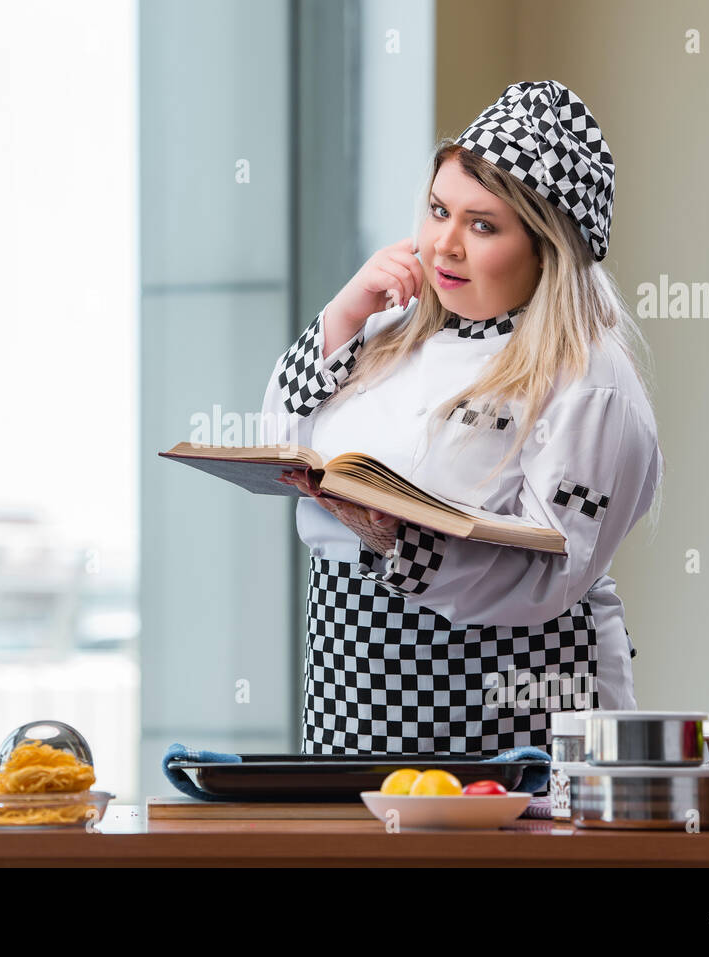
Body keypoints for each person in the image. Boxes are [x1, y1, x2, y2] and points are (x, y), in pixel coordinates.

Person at [259, 80, 664, 756]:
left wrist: (397, 542)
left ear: (548, 248)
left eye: (482, 225)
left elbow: (551, 573)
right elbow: (279, 437)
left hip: (507, 704)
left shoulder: (594, 382)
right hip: (350, 682)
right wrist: (344, 311)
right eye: (438, 210)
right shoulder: (384, 329)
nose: (443, 245)